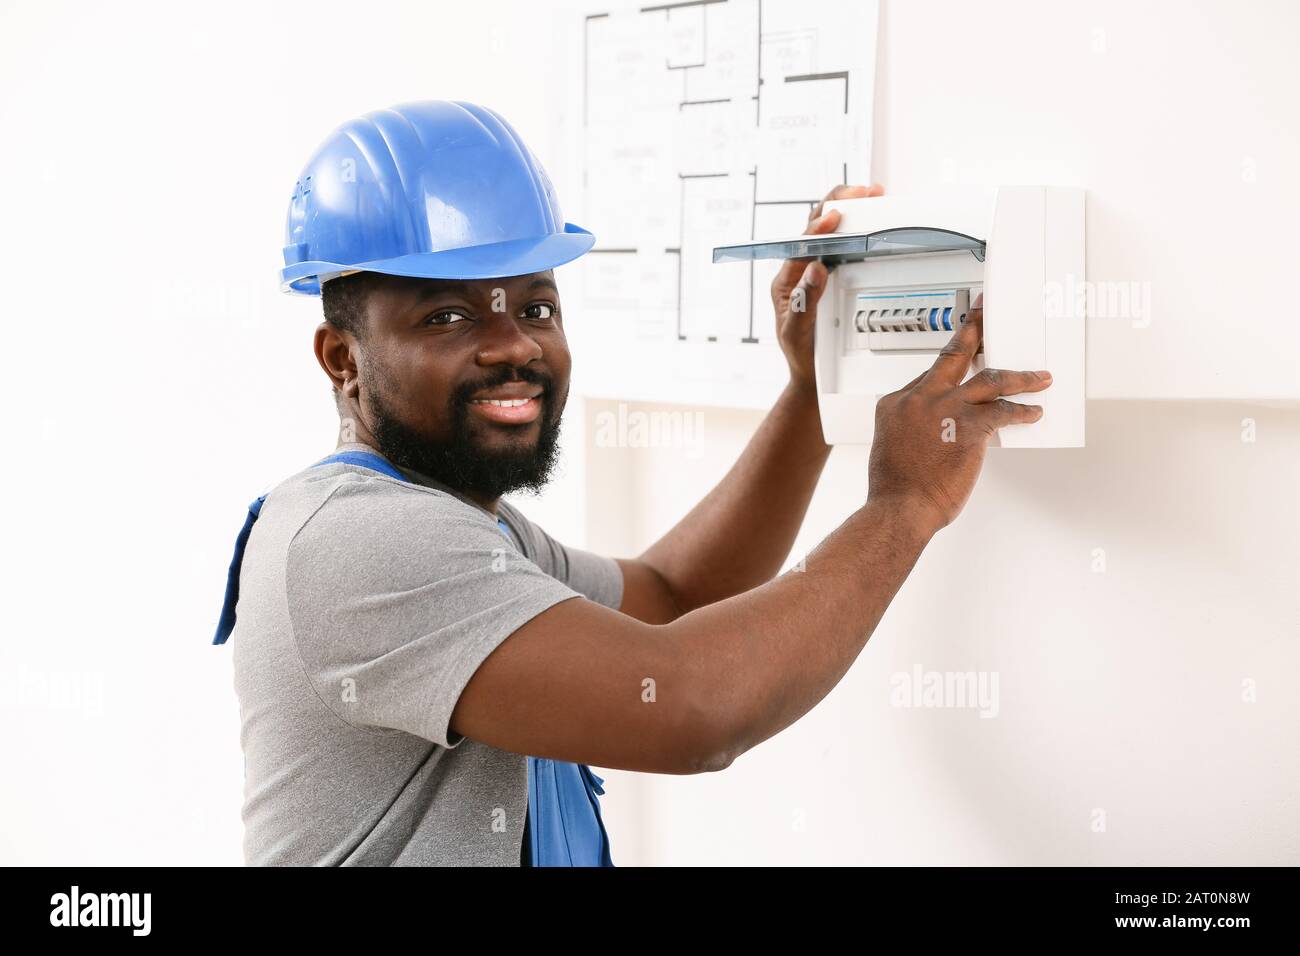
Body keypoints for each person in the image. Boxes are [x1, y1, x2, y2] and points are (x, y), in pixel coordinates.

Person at [215, 99, 1052, 866]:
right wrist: (903, 507)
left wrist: (806, 390)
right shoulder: (365, 540)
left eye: (535, 307)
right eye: (448, 315)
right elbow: (692, 710)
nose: (515, 346)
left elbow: (674, 591)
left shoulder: (463, 528)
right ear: (342, 359)